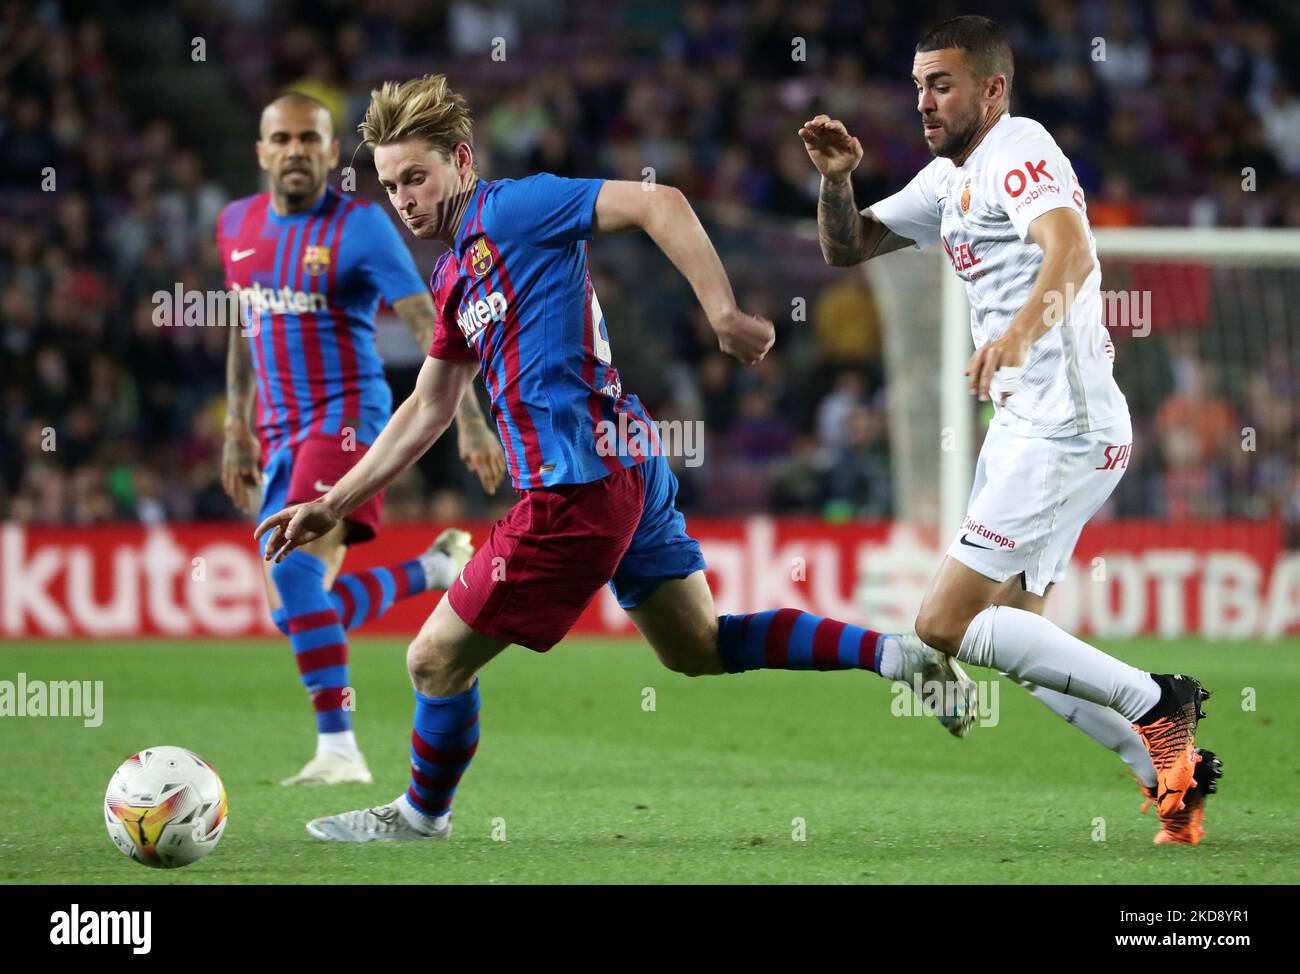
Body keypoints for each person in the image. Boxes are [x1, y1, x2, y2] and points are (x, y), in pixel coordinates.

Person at [256, 74, 975, 843]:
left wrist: (722, 312)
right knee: (698, 648)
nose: (402, 198)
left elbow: (660, 203)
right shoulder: (453, 272)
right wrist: (333, 503)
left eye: (416, 177)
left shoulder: (517, 208)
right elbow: (429, 406)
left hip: (577, 489)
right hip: (626, 467)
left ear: (461, 161)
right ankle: (900, 658)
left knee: (433, 662)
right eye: (391, 184)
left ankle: (420, 816)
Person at [800, 15, 1219, 844]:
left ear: (992, 88)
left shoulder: (1019, 147)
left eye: (942, 84)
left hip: (1061, 422)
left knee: (941, 626)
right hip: (1029, 425)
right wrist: (838, 180)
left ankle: (1159, 703)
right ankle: (1169, 778)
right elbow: (846, 250)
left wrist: (1019, 334)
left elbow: (1070, 251)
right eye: (918, 83)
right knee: (1018, 633)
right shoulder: (947, 179)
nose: (923, 100)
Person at [219, 92, 506, 786]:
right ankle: (428, 573)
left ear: (329, 153)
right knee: (295, 613)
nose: (294, 150)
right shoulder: (235, 226)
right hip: (279, 431)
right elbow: (243, 325)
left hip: (346, 420)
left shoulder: (361, 230)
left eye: (309, 139)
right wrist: (236, 424)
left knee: (291, 568)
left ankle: (339, 748)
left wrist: (467, 416)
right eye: (281, 138)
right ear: (262, 152)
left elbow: (427, 321)